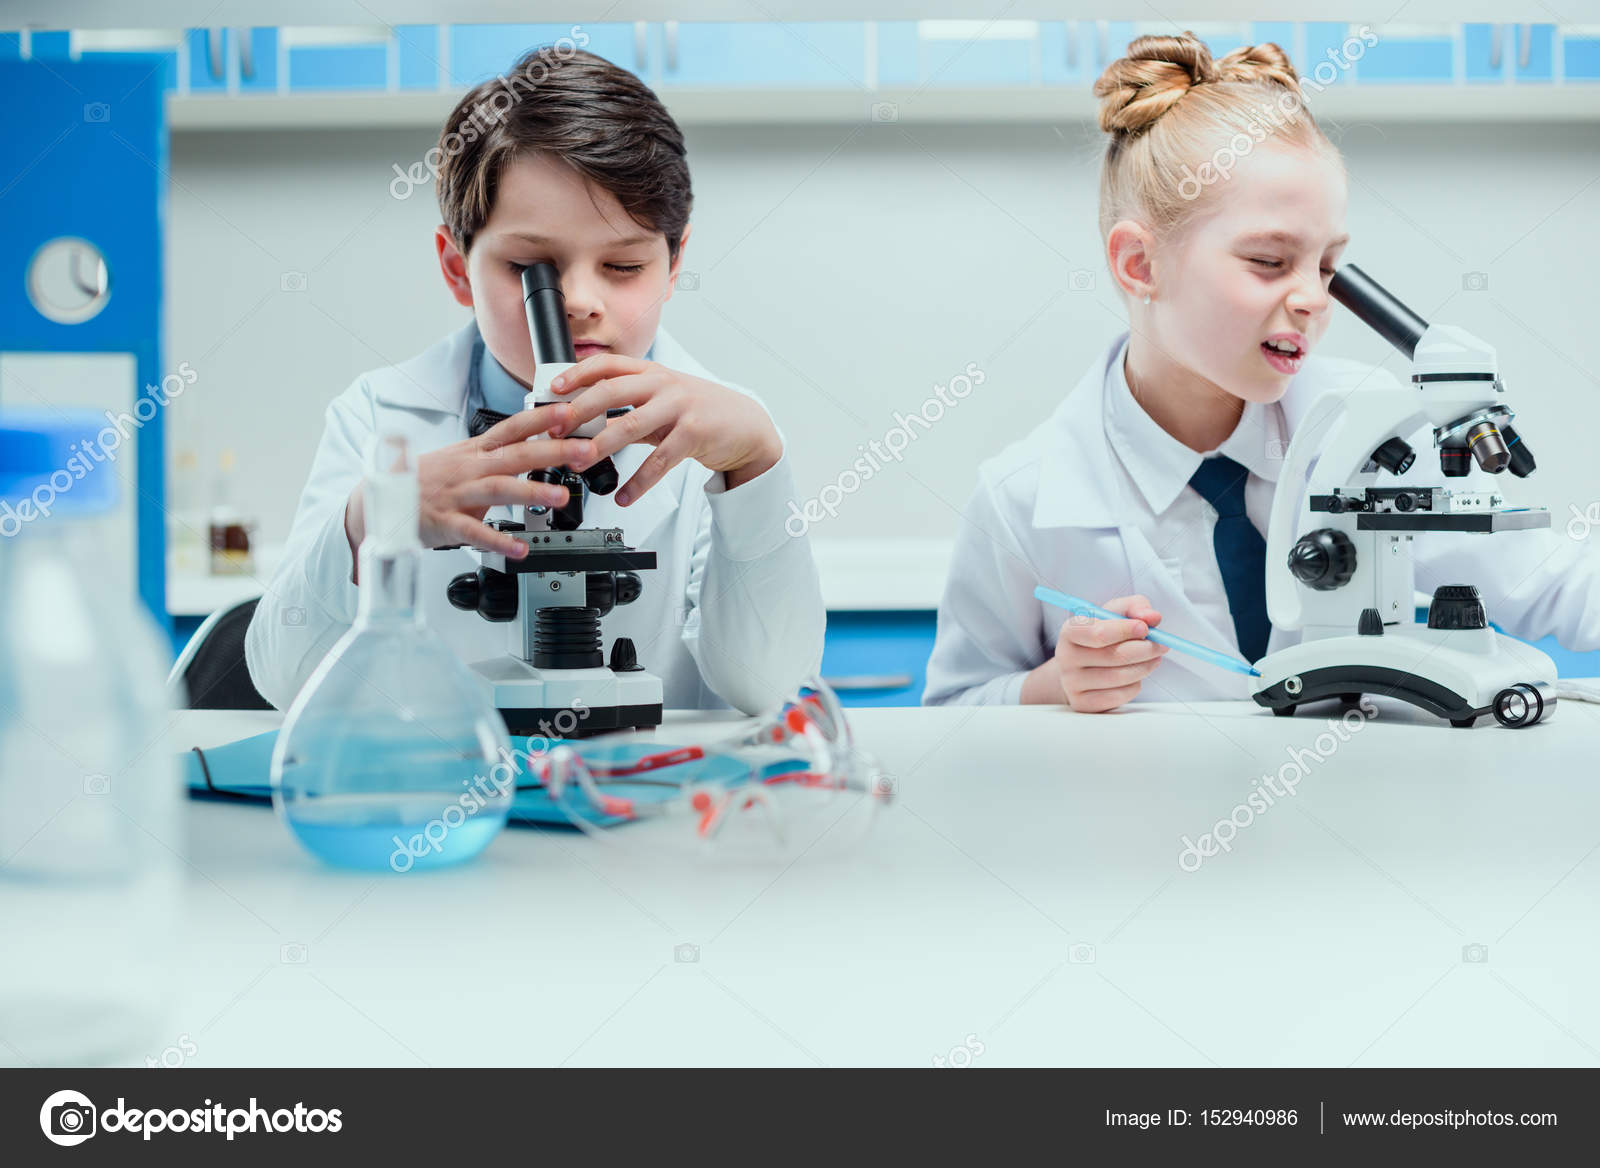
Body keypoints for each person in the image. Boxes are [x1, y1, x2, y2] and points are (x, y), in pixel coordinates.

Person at [925, 31, 1599, 711]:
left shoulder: (1364, 429)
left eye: (1328, 267)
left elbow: (1554, 581)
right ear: (1141, 264)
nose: (1312, 298)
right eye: (1271, 263)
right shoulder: (1020, 500)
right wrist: (1050, 687)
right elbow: (951, 715)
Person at [247, 48, 824, 715]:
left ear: (674, 264)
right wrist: (371, 519)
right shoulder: (381, 417)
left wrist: (755, 469)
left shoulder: (723, 436)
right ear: (457, 267)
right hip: (447, 798)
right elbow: (282, 676)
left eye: (623, 266)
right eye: (532, 266)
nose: (578, 300)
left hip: (637, 804)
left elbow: (773, 687)